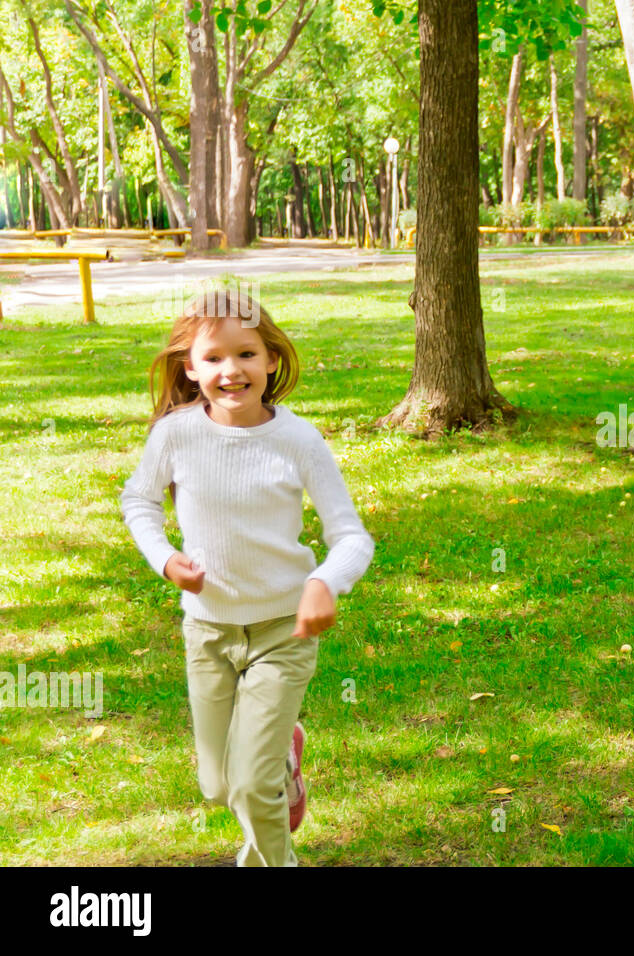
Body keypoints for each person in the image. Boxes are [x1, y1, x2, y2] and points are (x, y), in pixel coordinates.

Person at [121, 287, 374, 866]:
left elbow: (352, 537)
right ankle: (283, 759)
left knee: (249, 788)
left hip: (283, 631)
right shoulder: (176, 435)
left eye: (246, 355)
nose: (230, 371)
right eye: (212, 358)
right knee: (217, 785)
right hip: (208, 633)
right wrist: (164, 557)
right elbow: (139, 502)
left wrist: (323, 582)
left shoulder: (299, 440)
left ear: (272, 359)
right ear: (190, 368)